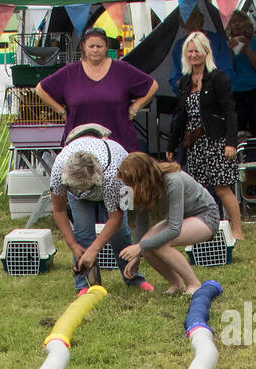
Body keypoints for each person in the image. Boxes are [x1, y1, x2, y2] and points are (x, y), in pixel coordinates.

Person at [48, 127, 153, 294]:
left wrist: (94, 249)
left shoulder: (112, 175)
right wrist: (73, 245)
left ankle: (133, 278)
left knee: (122, 233)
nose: (83, 193)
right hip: (86, 183)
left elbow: (115, 219)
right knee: (82, 234)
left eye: (86, 189)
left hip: (117, 183)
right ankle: (83, 286)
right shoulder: (59, 170)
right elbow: (59, 210)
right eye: (77, 189)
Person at [167, 31, 243, 240]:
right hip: (194, 144)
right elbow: (181, 117)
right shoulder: (184, 82)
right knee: (197, 191)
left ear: (206, 52)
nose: (194, 55)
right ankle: (203, 230)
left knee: (222, 187)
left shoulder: (218, 77)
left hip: (217, 141)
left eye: (197, 51)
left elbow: (230, 111)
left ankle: (237, 229)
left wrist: (230, 142)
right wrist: (171, 146)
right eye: (190, 51)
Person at [36, 27, 157, 156]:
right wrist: (62, 111)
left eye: (99, 46)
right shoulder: (70, 72)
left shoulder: (122, 70)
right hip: (80, 149)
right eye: (91, 46)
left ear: (106, 47)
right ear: (83, 47)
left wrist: (134, 108)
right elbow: (41, 89)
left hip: (120, 145)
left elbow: (152, 86)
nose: (95, 50)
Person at [117, 152, 219, 296]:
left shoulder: (173, 180)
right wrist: (137, 255)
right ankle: (176, 284)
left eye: (130, 183)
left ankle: (194, 284)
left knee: (158, 243)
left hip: (206, 216)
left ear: (142, 179)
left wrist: (139, 247)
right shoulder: (139, 189)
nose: (128, 187)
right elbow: (141, 222)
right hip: (181, 219)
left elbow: (174, 230)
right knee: (148, 244)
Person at [225, 11, 256, 137]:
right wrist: (230, 50)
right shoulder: (227, 44)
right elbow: (227, 68)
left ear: (247, 24)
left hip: (255, 90)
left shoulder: (255, 43)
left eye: (240, 21)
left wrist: (248, 49)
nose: (237, 24)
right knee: (238, 129)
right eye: (233, 22)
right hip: (236, 92)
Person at [169, 8, 232, 92]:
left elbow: (227, 72)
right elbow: (175, 78)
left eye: (194, 18)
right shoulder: (179, 46)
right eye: (186, 19)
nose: (191, 23)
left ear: (201, 20)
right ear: (182, 24)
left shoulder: (217, 41)